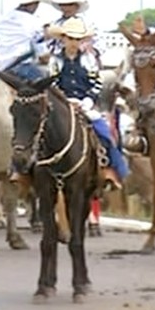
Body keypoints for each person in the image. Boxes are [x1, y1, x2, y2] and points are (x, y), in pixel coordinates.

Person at [46, 17, 128, 189]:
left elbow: (97, 82)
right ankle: (27, 169)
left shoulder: (88, 59)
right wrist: (64, 100)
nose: (73, 42)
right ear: (63, 39)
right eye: (70, 38)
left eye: (77, 39)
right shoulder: (55, 60)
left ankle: (110, 169)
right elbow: (52, 84)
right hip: (62, 104)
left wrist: (88, 100)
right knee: (40, 130)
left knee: (104, 132)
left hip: (85, 104)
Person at [0, 0, 51, 80]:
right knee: (45, 81)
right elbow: (43, 56)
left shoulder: (3, 18)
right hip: (19, 66)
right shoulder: (35, 23)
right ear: (34, 4)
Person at [46, 0, 103, 65]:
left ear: (77, 7)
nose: (66, 8)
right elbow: (48, 45)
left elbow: (100, 44)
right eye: (63, 5)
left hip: (84, 61)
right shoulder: (55, 24)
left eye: (70, 5)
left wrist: (93, 52)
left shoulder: (88, 24)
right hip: (60, 61)